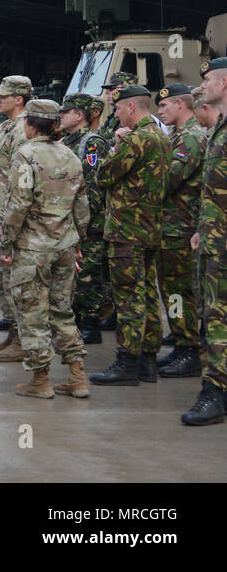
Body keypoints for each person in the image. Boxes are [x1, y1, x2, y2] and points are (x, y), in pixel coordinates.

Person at [0, 99, 91, 398]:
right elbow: (81, 206)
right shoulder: (70, 155)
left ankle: (41, 379)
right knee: (62, 311)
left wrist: (7, 242)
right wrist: (79, 241)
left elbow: (19, 204)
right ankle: (78, 376)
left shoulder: (25, 155)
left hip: (32, 248)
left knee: (32, 312)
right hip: (64, 244)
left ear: (30, 124)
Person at [90, 84, 170, 385]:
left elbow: (105, 174)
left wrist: (114, 145)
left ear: (131, 108)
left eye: (119, 109)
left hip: (127, 231)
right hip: (150, 229)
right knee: (148, 294)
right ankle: (148, 360)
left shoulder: (135, 139)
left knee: (128, 297)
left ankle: (127, 361)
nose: (117, 114)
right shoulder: (160, 137)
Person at [185, 57, 227, 424]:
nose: (203, 85)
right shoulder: (220, 129)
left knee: (218, 320)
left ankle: (214, 393)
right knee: (214, 317)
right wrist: (202, 228)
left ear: (225, 83)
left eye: (209, 79)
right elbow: (214, 192)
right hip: (214, 242)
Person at [154, 83, 207, 377]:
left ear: (179, 104)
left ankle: (189, 350)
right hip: (171, 227)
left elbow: (168, 180)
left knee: (178, 293)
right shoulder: (177, 137)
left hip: (180, 228)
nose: (160, 112)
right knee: (173, 292)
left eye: (164, 106)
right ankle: (182, 344)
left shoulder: (190, 139)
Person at [0, 75, 33, 361]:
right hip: (1, 211)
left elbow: (20, 181)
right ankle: (14, 336)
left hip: (11, 216)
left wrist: (8, 221)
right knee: (4, 279)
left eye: (4, 95)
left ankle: (22, 341)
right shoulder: (9, 127)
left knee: (15, 281)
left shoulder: (23, 130)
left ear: (19, 98)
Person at [60, 93, 112, 343]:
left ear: (78, 115)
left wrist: (84, 224)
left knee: (89, 274)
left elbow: (93, 187)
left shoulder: (91, 143)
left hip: (89, 223)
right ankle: (79, 319)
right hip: (71, 221)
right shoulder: (66, 142)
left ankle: (91, 325)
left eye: (65, 112)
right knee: (75, 274)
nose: (61, 116)